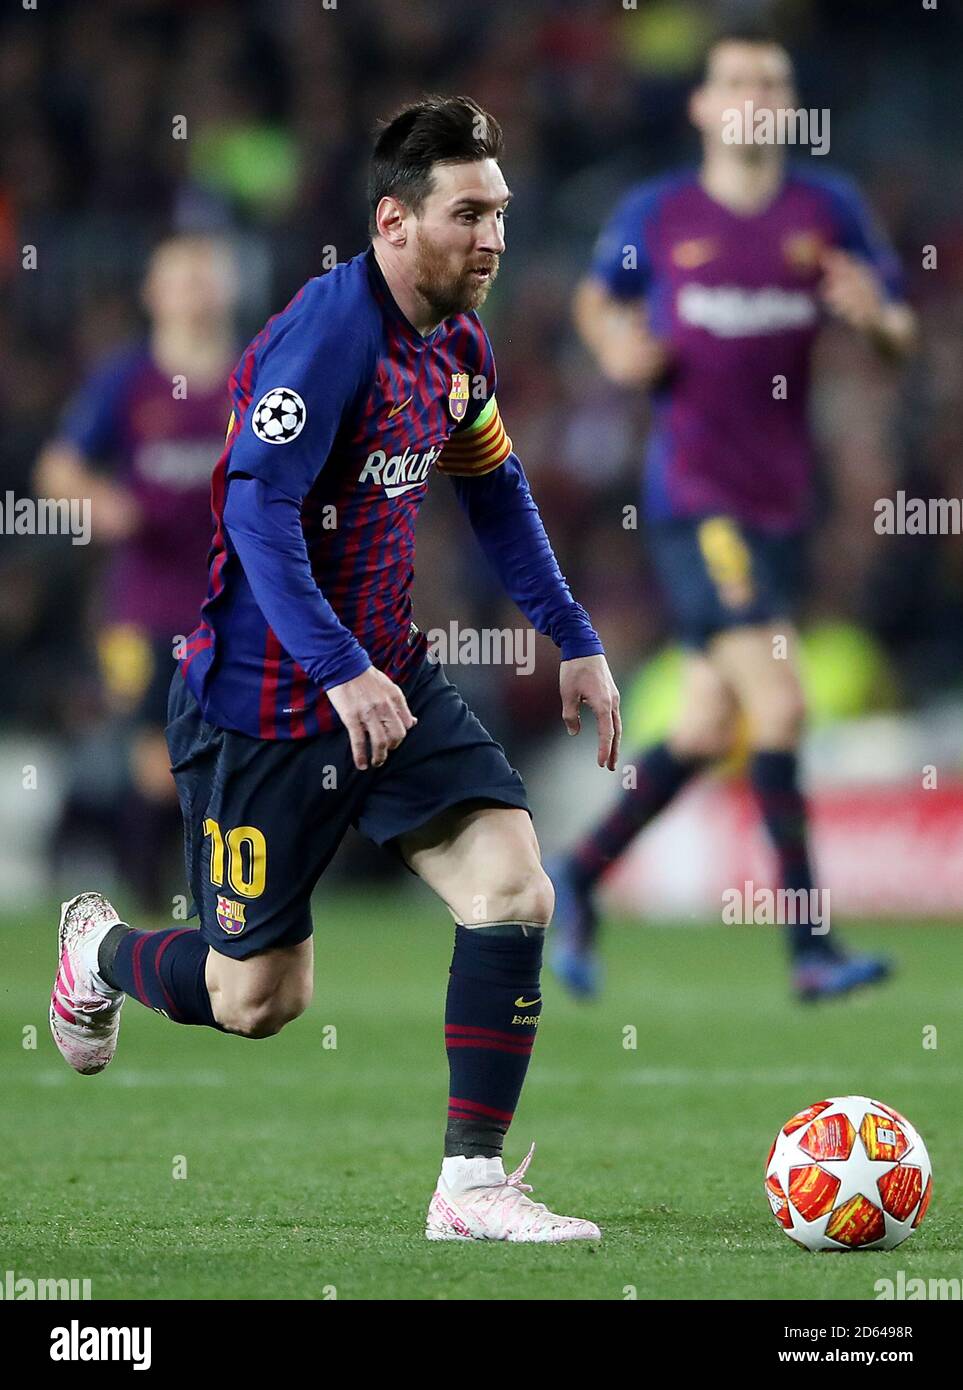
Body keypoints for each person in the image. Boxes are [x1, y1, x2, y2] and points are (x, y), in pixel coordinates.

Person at [48, 97, 621, 1243]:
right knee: (258, 997)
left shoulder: (458, 340)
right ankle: (96, 948)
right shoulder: (329, 335)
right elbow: (255, 507)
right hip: (264, 706)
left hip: (390, 680)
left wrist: (574, 632)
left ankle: (468, 1185)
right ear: (394, 221)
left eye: (501, 212)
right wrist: (338, 666)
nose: (494, 239)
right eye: (468, 214)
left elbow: (495, 487)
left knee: (513, 887)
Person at [551, 30, 916, 1001]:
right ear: (705, 107)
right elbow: (598, 303)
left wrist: (874, 318)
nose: (755, 96)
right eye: (738, 81)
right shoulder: (659, 212)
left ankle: (575, 875)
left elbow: (899, 333)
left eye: (773, 83)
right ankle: (809, 944)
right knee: (783, 701)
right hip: (694, 499)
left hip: (782, 507)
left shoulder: (825, 210)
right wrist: (619, 344)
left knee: (711, 724)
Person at [35, 235, 239, 910]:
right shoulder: (127, 380)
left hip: (235, 598)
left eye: (205, 277)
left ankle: (212, 886)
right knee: (157, 748)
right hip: (144, 604)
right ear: (153, 294)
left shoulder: (252, 377)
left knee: (228, 744)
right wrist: (105, 504)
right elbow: (58, 468)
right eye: (180, 278)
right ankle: (156, 890)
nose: (195, 290)